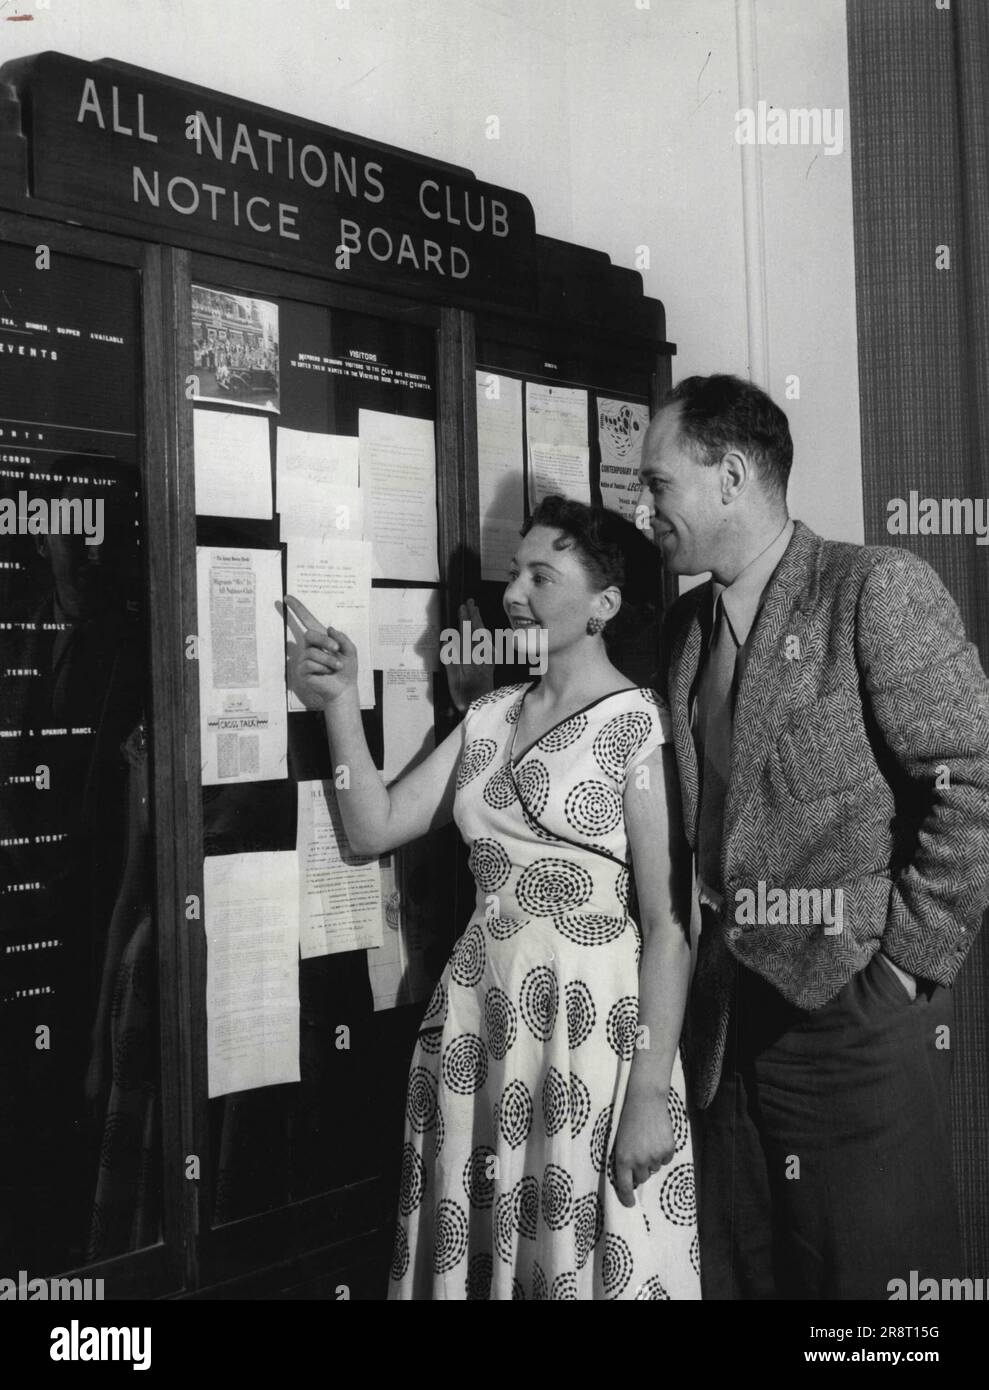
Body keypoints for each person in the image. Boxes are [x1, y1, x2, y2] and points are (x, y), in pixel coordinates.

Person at [285, 496, 700, 1300]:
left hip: (590, 1035)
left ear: (602, 606)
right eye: (515, 573)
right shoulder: (487, 717)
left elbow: (668, 927)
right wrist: (337, 706)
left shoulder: (636, 727)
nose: (514, 593)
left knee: (579, 1255)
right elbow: (371, 827)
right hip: (478, 1019)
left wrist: (648, 1093)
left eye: (542, 576)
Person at [636, 373, 989, 1300]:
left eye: (657, 483)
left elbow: (974, 783)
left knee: (877, 1310)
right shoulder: (680, 630)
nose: (644, 509)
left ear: (731, 475)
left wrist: (901, 969)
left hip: (851, 1025)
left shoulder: (873, 589)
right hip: (721, 1042)